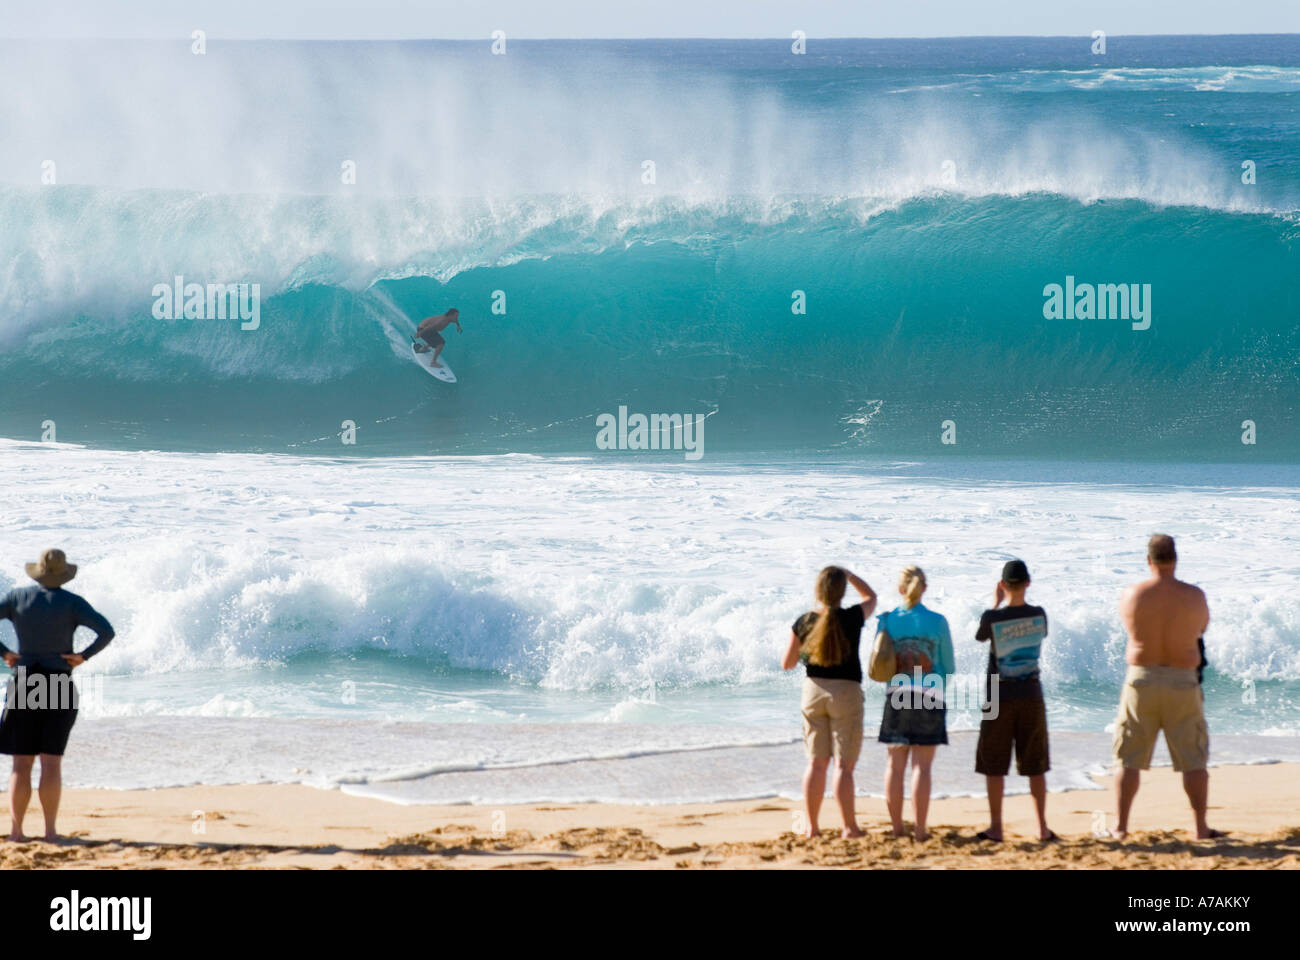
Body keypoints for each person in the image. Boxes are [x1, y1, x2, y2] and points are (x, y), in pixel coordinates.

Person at [0, 549, 115, 843]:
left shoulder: (16, 598)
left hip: (25, 681)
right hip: (58, 681)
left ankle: (16, 832)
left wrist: (5, 654)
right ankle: (50, 832)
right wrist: (82, 656)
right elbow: (106, 631)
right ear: (62, 573)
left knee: (21, 764)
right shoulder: (72, 603)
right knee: (51, 763)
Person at [1112, 534, 1221, 840]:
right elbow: (1200, 628)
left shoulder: (1132, 593)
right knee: (1193, 759)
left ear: (1148, 561)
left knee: (1128, 757)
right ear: (1175, 559)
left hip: (1141, 678)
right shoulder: (1194, 595)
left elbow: (1130, 628)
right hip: (1182, 680)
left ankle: (1121, 827)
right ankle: (1200, 828)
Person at [781, 566, 877, 838]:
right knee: (843, 766)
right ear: (842, 591)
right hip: (845, 692)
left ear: (818, 590)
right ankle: (849, 827)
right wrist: (850, 575)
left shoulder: (804, 621)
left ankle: (812, 828)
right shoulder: (852, 617)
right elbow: (871, 596)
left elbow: (786, 664)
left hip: (813, 692)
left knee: (816, 763)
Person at [973, 559, 1055, 842]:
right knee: (1035, 762)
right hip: (1031, 691)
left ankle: (996, 827)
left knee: (994, 763)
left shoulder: (992, 618)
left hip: (998, 693)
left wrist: (995, 604)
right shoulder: (1039, 615)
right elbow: (1041, 635)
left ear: (1003, 585)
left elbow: (980, 637)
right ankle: (1042, 827)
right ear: (1028, 583)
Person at [874, 566, 953, 841]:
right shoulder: (938, 621)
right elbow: (948, 667)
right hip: (930, 694)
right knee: (922, 767)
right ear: (925, 588)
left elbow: (878, 666)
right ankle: (920, 831)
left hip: (896, 694)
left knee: (895, 766)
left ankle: (897, 829)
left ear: (900, 589)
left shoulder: (885, 620)